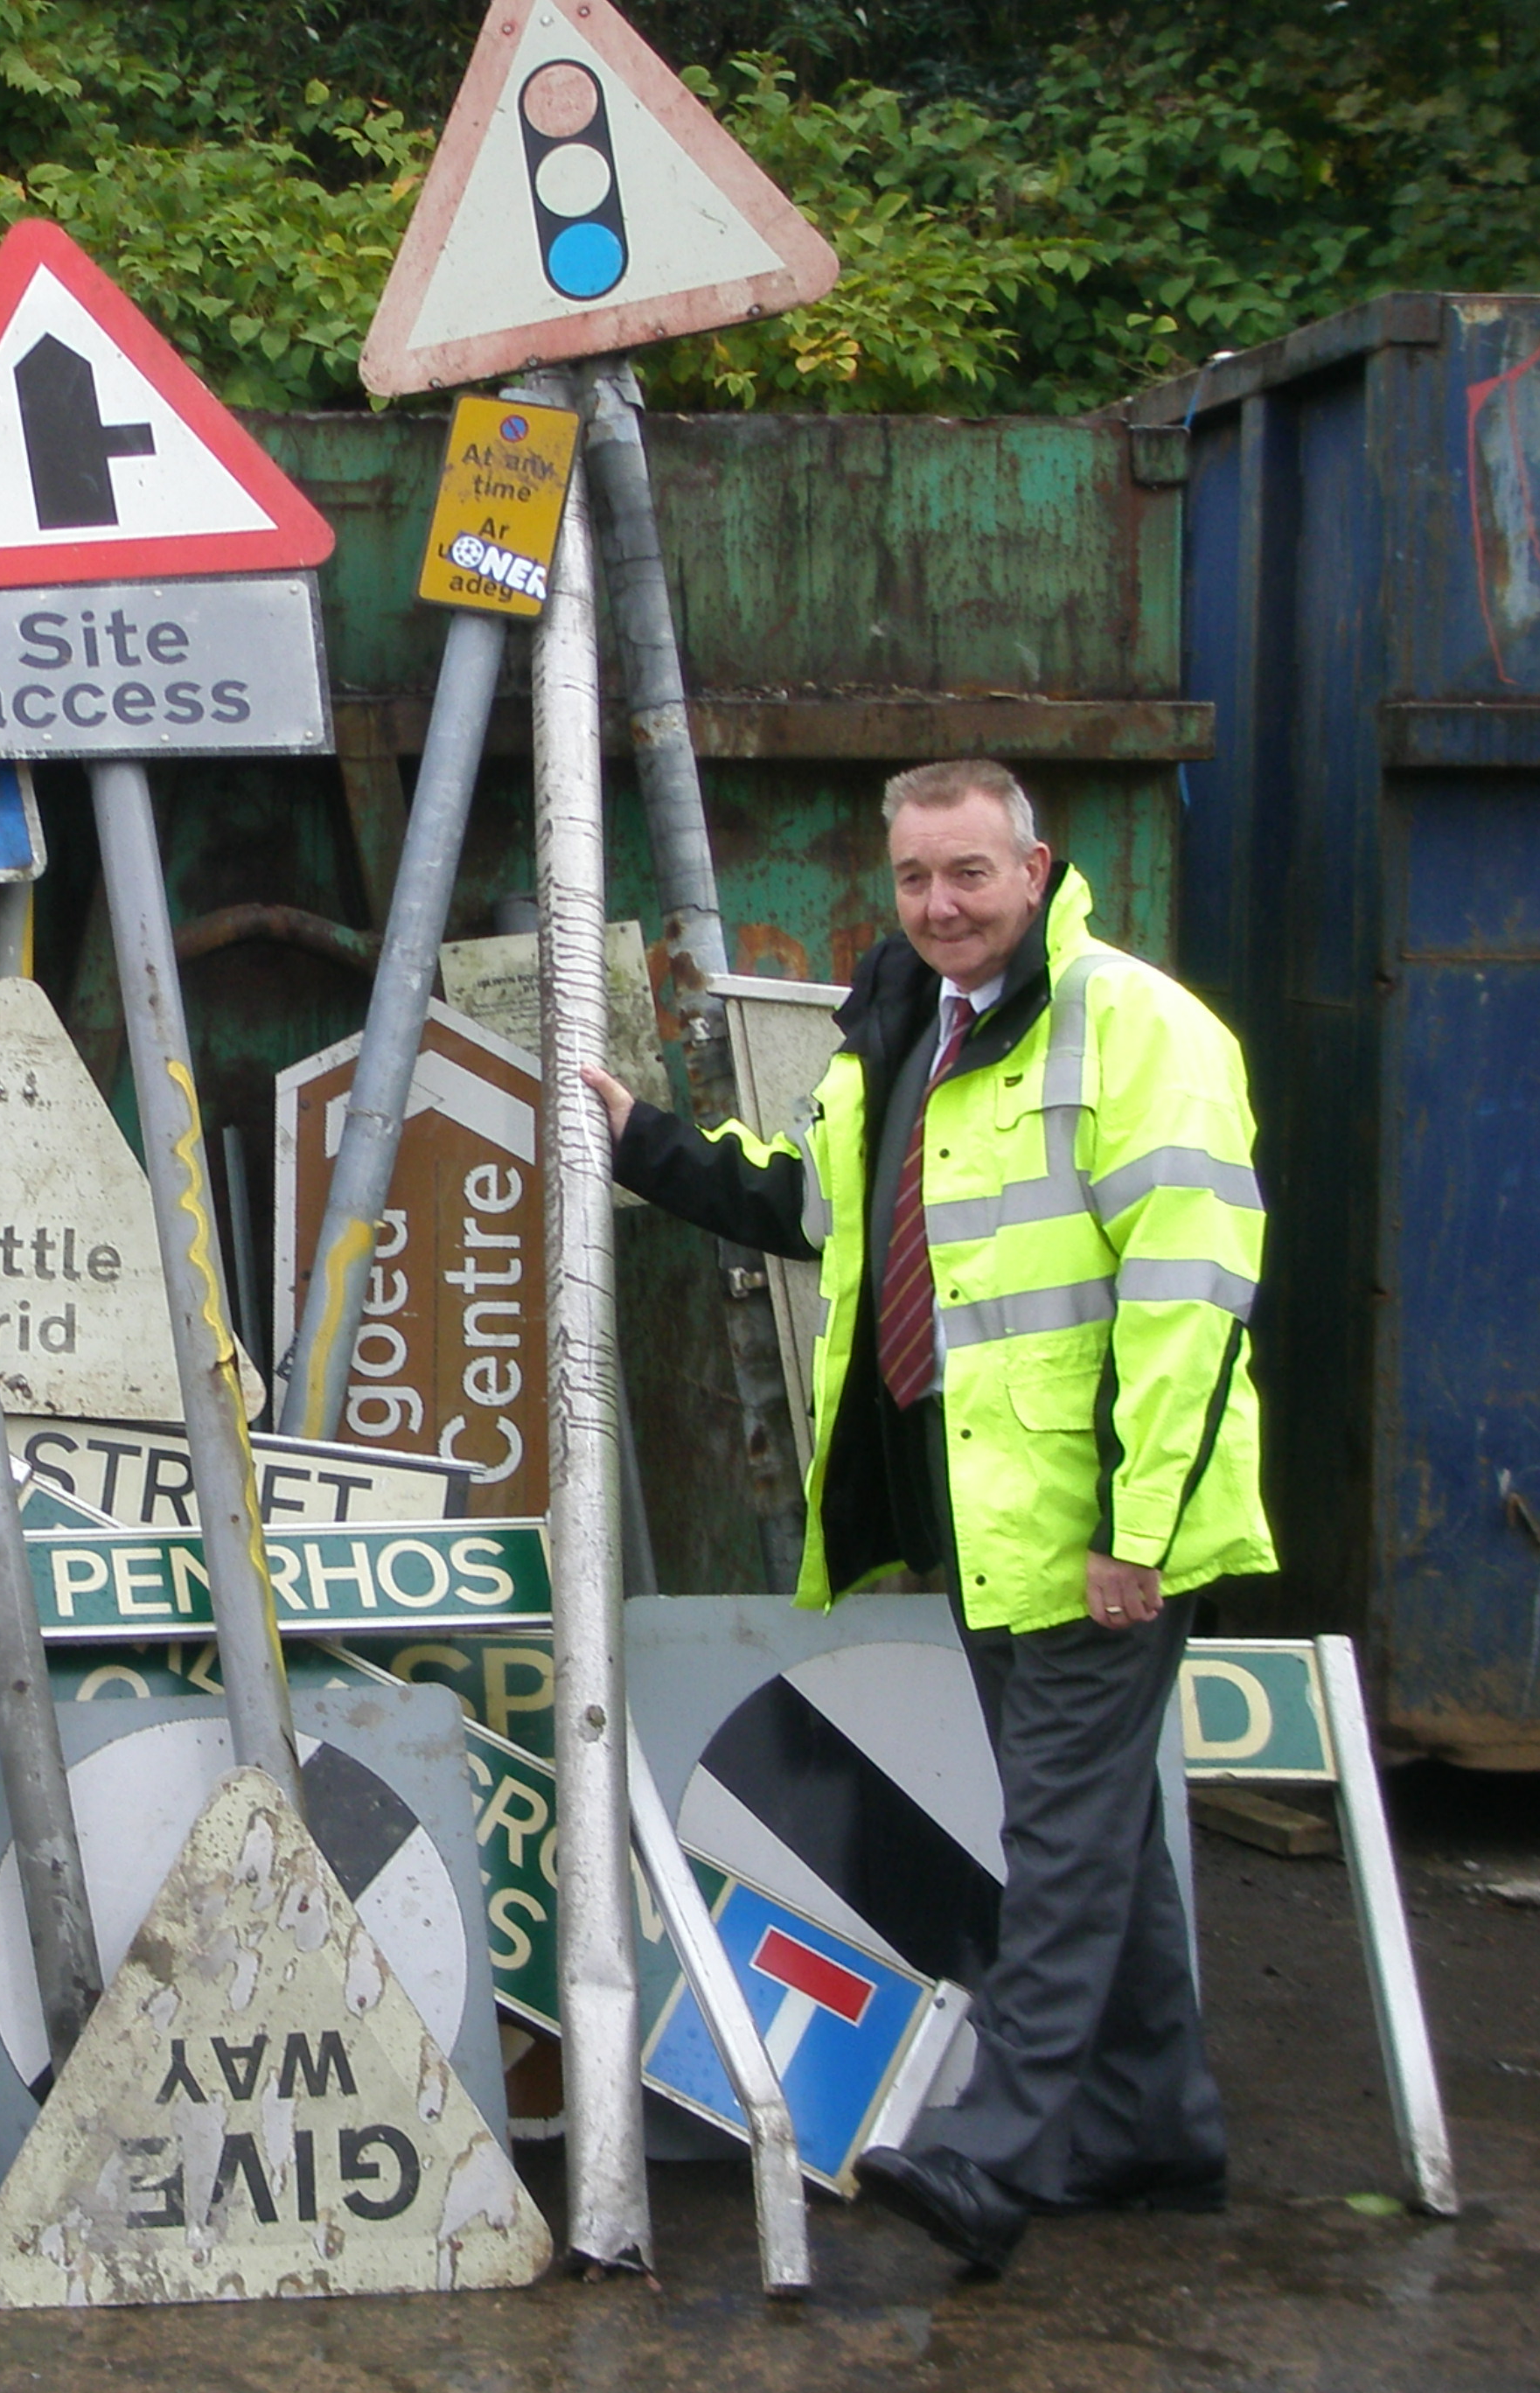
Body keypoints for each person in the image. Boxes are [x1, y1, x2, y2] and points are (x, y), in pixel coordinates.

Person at [584, 759, 1276, 2277]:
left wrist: (1139, 1531)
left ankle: (993, 2151)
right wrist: (642, 1139)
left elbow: (1192, 1298)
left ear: (1036, 866)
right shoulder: (907, 1029)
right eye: (914, 878)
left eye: (969, 872)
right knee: (1098, 1833)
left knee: (1062, 1838)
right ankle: (1152, 2128)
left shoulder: (1138, 1028)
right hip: (987, 1520)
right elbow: (809, 1208)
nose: (941, 904)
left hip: (1101, 1536)